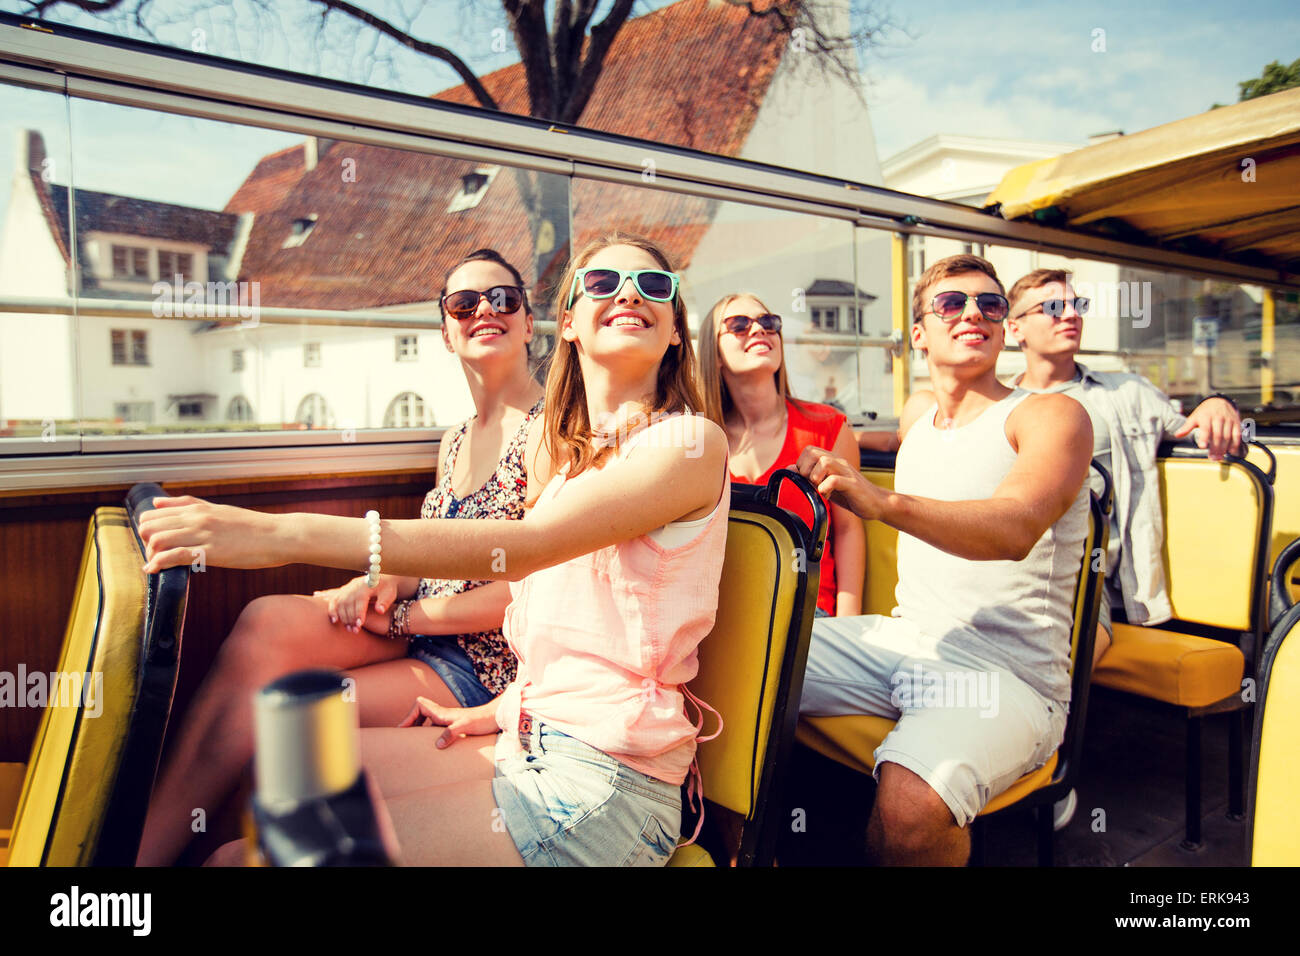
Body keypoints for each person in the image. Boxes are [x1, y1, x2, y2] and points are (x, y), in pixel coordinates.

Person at [139, 233, 731, 867]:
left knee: (245, 861)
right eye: (604, 284)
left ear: (675, 331)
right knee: (286, 768)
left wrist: (277, 534)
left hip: (603, 783)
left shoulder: (688, 445)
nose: (630, 295)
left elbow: (523, 549)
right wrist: (501, 709)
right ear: (569, 325)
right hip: (531, 734)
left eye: (653, 287)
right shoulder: (573, 465)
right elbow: (569, 632)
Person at [136, 248, 544, 866]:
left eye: (503, 298)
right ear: (444, 331)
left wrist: (403, 620)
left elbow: (529, 589)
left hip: (479, 665)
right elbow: (436, 543)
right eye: (464, 303)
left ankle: (192, 858)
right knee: (268, 622)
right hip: (419, 634)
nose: (485, 310)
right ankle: (134, 858)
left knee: (298, 714)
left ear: (529, 320)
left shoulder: (549, 433)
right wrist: (380, 580)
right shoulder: (456, 438)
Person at [794, 254, 1093, 865]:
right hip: (907, 641)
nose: (974, 314)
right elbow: (921, 445)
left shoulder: (1049, 415)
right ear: (919, 334)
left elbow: (1014, 528)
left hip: (1007, 676)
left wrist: (882, 502)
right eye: (952, 304)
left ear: (1006, 327)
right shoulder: (915, 417)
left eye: (990, 304)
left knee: (910, 810)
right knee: (736, 656)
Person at [1005, 268, 1243, 666]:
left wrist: (1217, 402)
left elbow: (1193, 430)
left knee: (1052, 662)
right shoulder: (1001, 405)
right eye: (1052, 306)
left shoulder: (1126, 392)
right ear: (1016, 329)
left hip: (1086, 579)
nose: (1071, 314)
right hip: (1015, 568)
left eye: (1077, 304)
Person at [698, 293, 865, 617]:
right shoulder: (700, 441)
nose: (759, 330)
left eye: (768, 323)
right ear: (714, 352)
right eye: (739, 325)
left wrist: (849, 626)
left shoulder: (828, 428)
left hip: (809, 616)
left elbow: (847, 531)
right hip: (723, 617)